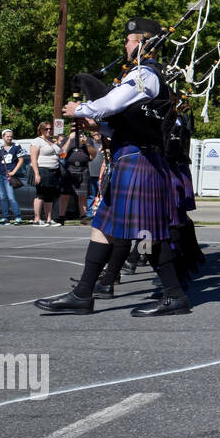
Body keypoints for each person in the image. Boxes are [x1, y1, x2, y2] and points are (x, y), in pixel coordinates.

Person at [35, 16, 188, 316]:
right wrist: (98, 126)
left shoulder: (146, 75)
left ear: (144, 42)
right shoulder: (144, 75)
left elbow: (112, 102)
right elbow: (126, 125)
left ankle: (174, 295)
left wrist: (78, 109)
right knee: (104, 225)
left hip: (140, 162)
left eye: (130, 41)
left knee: (147, 234)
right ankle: (83, 293)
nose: (126, 45)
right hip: (133, 159)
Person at [59, 125, 97, 224]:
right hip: (69, 169)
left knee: (83, 195)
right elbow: (62, 154)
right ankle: (61, 216)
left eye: (78, 128)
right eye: (73, 128)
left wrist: (86, 143)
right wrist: (69, 140)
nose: (76, 130)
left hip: (83, 168)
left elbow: (93, 155)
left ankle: (83, 216)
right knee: (65, 194)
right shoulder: (66, 139)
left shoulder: (88, 139)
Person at [0, 129, 27, 224]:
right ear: (3, 137)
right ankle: (5, 217)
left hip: (9, 176)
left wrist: (14, 171)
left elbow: (21, 160)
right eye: (7, 136)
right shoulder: (0, 148)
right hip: (0, 176)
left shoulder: (16, 147)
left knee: (11, 197)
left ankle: (18, 217)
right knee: (2, 197)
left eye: (11, 136)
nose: (9, 138)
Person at [30, 121, 63, 227]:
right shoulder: (37, 141)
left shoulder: (52, 142)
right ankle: (37, 219)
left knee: (50, 195)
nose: (49, 131)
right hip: (42, 169)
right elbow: (33, 159)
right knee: (40, 194)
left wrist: (69, 140)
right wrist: (36, 174)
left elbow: (63, 154)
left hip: (53, 171)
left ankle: (49, 219)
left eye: (50, 129)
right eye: (46, 129)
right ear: (40, 130)